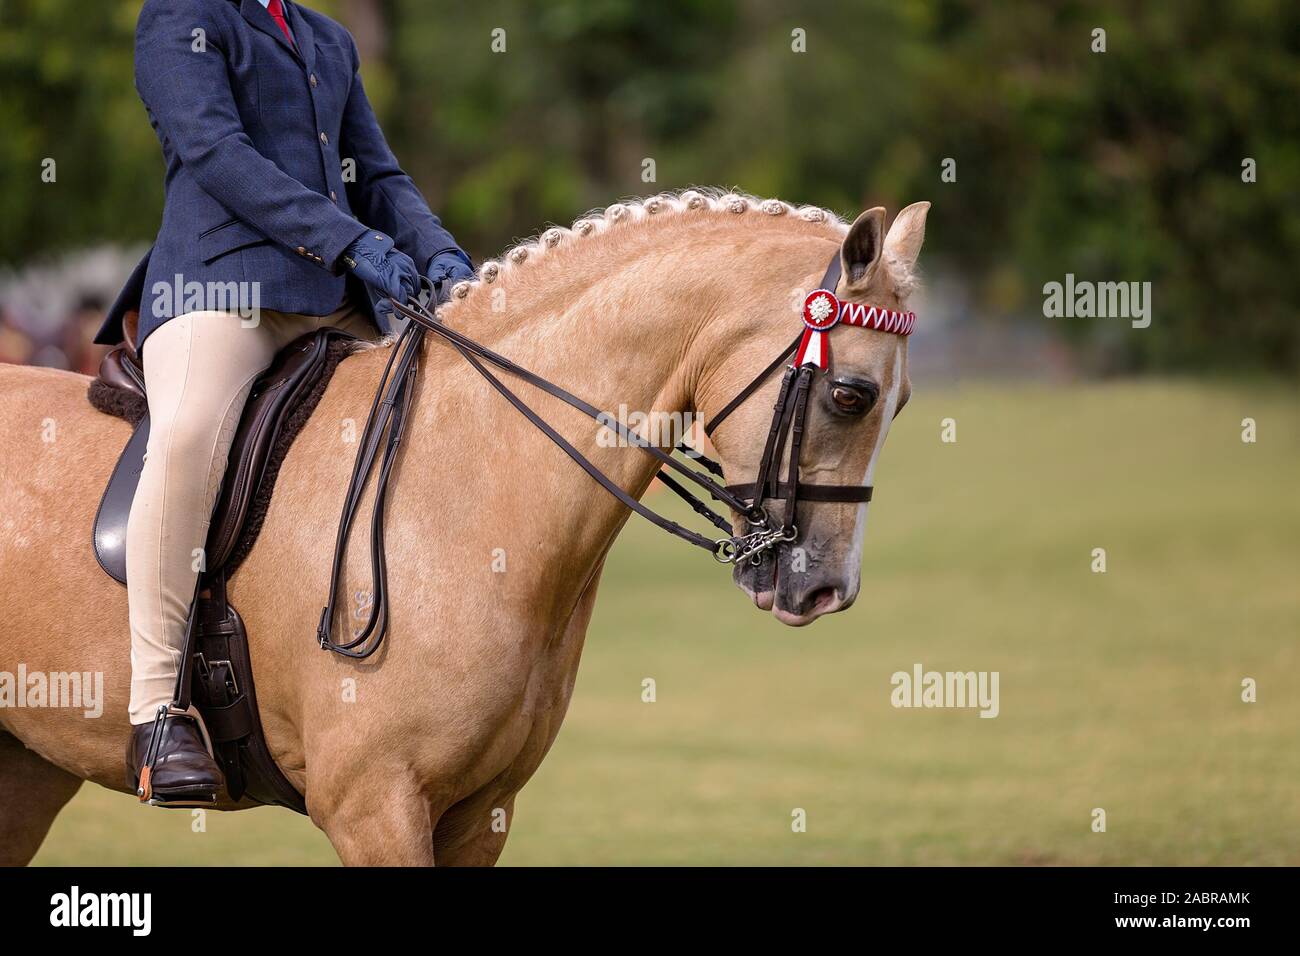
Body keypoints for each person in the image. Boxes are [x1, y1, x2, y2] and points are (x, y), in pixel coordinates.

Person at [93, 0, 474, 803]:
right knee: (190, 434)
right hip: (220, 289)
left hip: (333, 296)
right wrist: (350, 241)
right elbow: (214, 152)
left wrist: (438, 251)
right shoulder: (181, 17)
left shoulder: (326, 38)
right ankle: (158, 713)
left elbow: (376, 175)